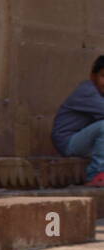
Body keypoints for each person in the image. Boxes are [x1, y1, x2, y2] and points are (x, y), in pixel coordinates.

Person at [52, 55, 104, 186]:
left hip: (86, 141)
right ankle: (96, 175)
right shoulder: (88, 92)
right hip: (68, 142)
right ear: (93, 77)